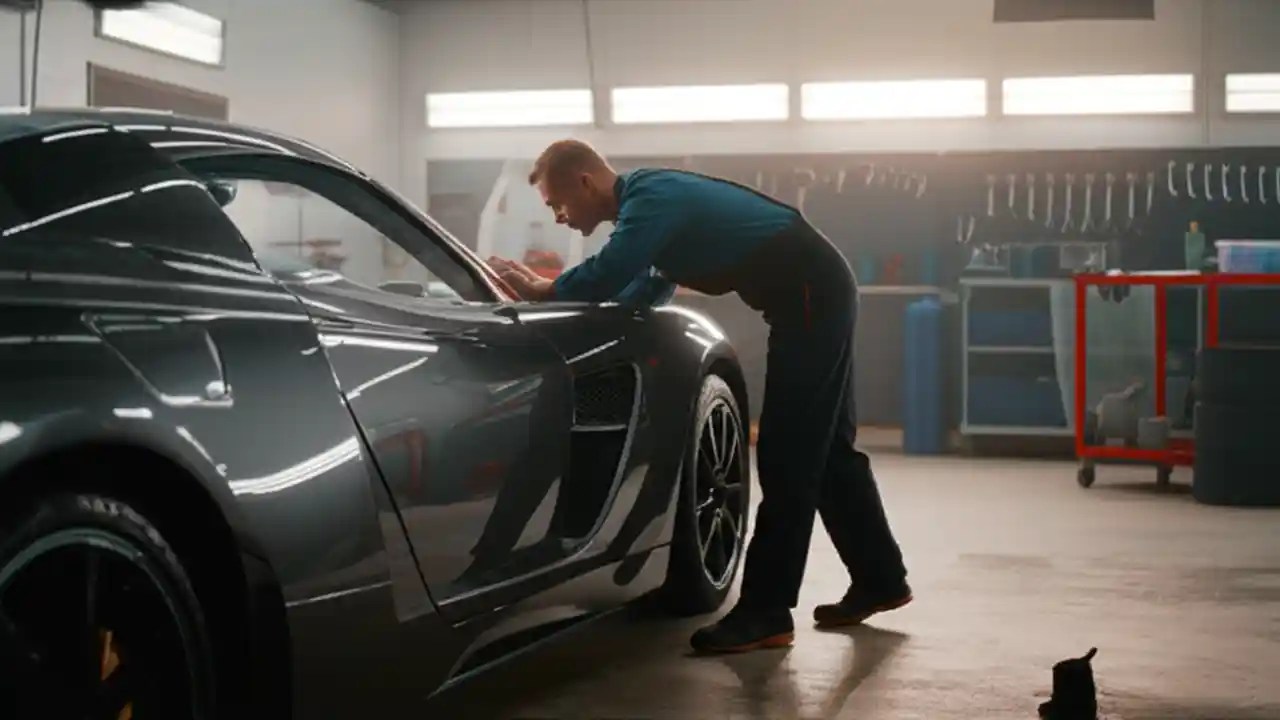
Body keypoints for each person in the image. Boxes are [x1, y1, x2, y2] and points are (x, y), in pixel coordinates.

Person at [488, 139, 911, 654]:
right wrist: (571, 305)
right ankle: (881, 579)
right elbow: (642, 289)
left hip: (812, 296)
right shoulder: (649, 209)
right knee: (831, 451)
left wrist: (545, 291)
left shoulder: (650, 198)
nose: (558, 218)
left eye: (558, 204)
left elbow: (611, 270)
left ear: (585, 182)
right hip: (818, 293)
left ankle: (766, 611)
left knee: (789, 452)